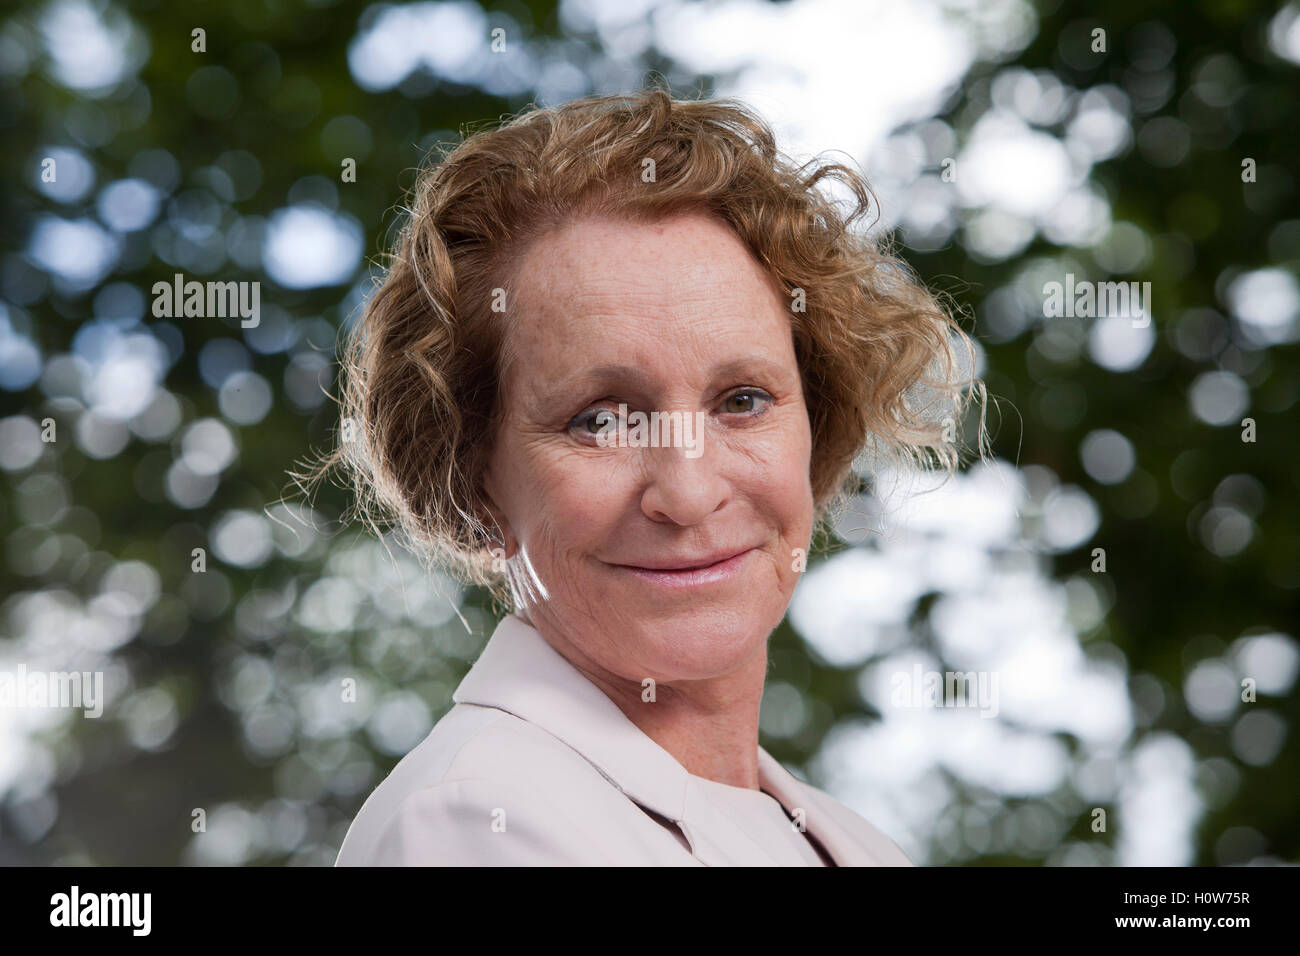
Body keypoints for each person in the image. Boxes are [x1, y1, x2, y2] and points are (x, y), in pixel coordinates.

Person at [323, 88, 981, 865]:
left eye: (742, 401)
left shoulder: (853, 843)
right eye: (601, 420)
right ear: (474, 479)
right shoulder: (473, 822)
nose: (690, 493)